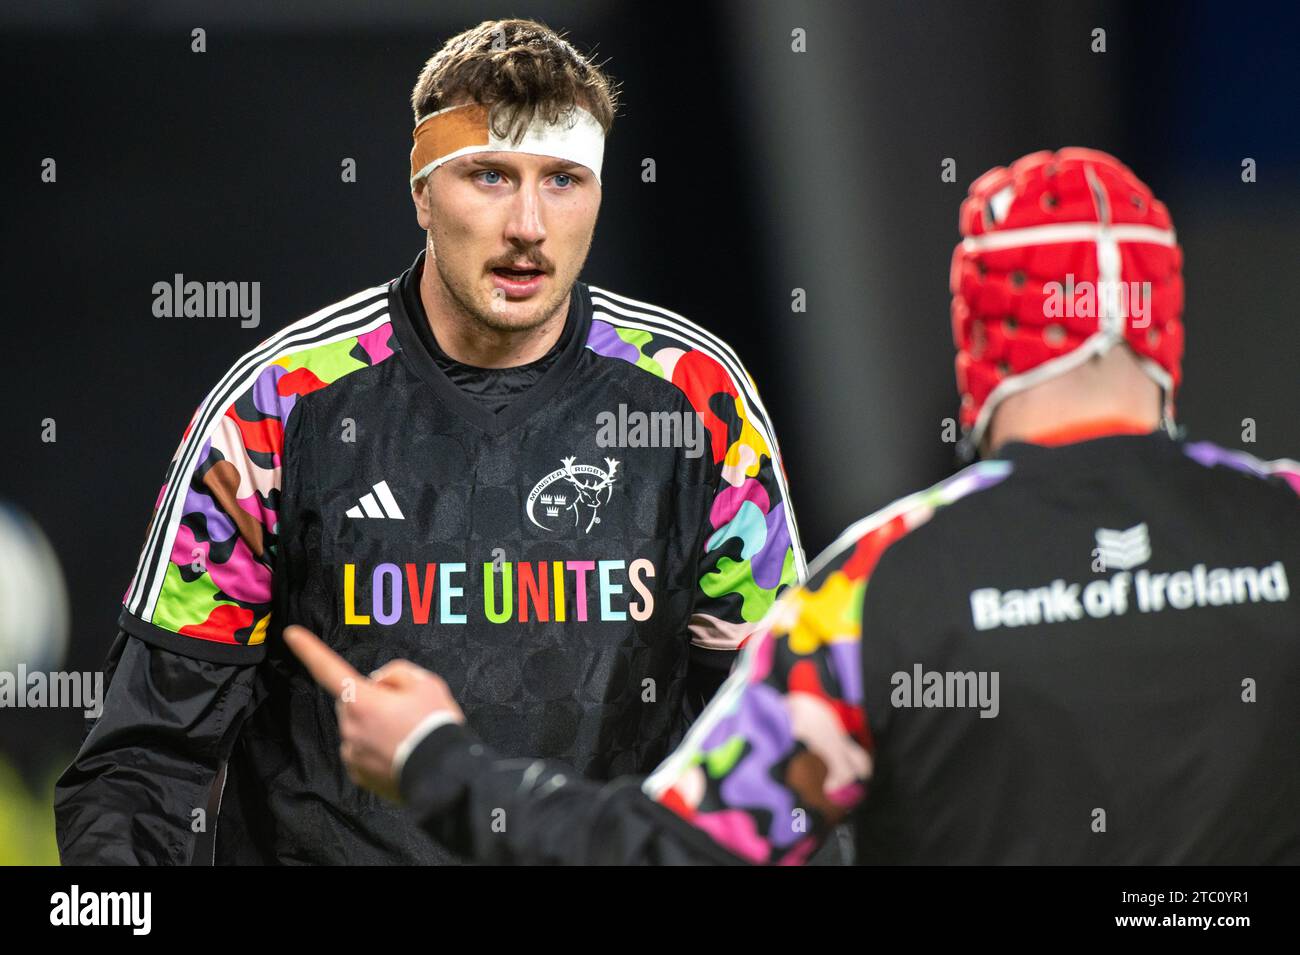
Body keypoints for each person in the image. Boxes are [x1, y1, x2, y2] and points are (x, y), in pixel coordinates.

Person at [290, 148, 1300, 864]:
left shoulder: (879, 586)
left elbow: (673, 853)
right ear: (1163, 331)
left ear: (979, 332)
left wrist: (437, 761)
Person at [55, 18, 802, 865]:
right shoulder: (280, 404)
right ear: (421, 191)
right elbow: (143, 765)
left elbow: (782, 747)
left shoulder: (696, 400)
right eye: (490, 175)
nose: (528, 223)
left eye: (563, 180)